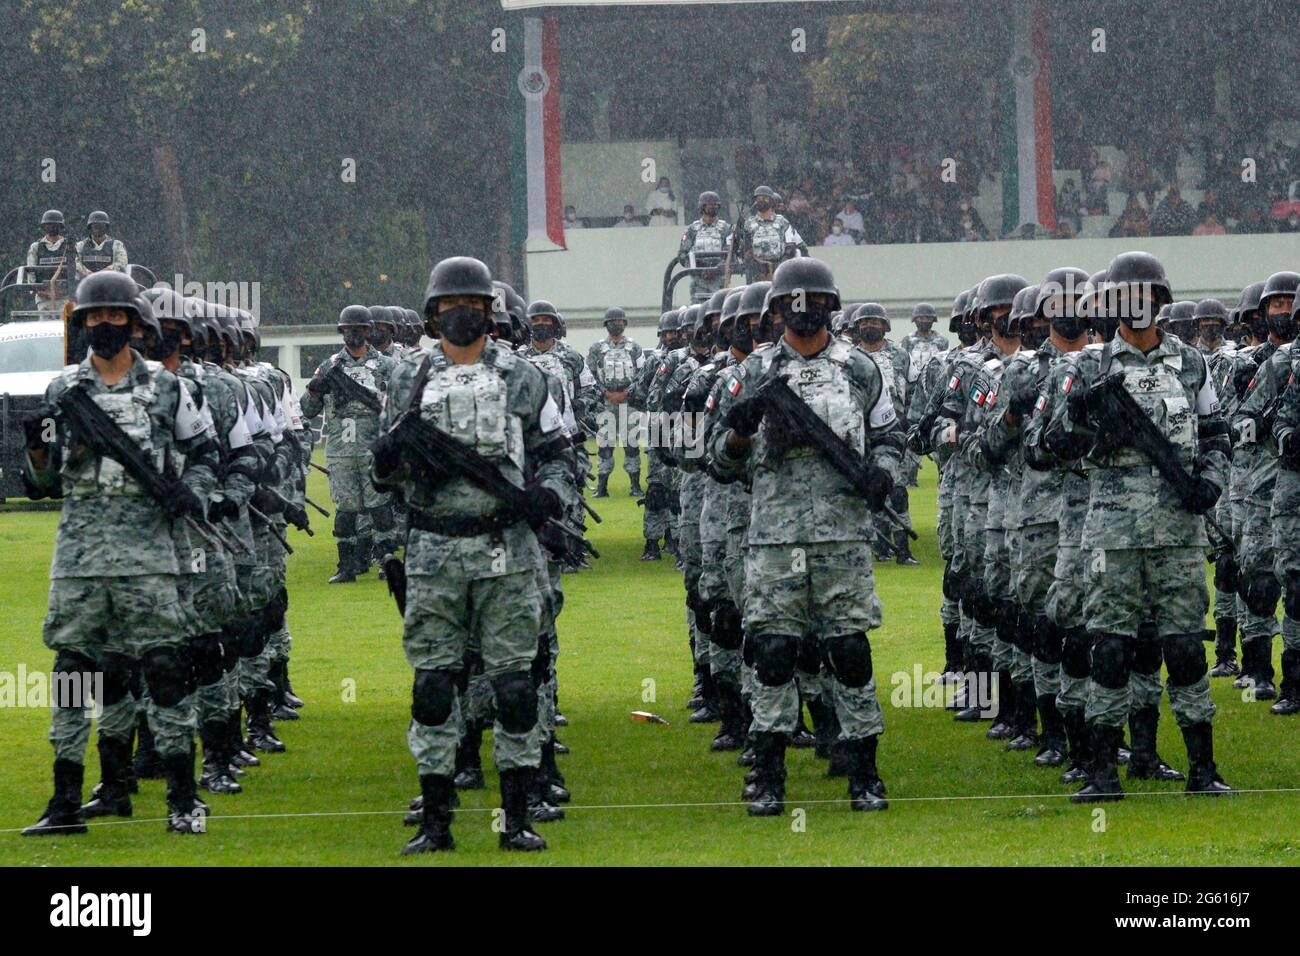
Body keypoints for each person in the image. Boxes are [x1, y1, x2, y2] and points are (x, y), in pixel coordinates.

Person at [371, 256, 576, 854]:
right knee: (434, 687)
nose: (463, 314)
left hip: (506, 548)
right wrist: (386, 466)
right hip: (433, 548)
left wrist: (549, 496)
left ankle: (518, 816)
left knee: (515, 686)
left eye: (474, 305)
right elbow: (389, 474)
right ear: (432, 313)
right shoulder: (406, 379)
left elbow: (559, 452)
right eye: (450, 305)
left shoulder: (525, 376)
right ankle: (437, 820)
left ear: (490, 311)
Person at [21, 271, 218, 836]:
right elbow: (43, 485)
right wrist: (37, 452)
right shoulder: (64, 392)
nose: (103, 325)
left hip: (150, 557)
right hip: (80, 561)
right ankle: (65, 800)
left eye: (114, 316)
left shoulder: (166, 388)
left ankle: (183, 800)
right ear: (81, 324)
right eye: (93, 317)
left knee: (164, 673)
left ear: (135, 323)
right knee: (72, 676)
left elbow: (203, 452)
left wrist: (193, 493)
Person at [709, 257, 904, 815]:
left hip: (843, 537)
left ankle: (863, 770)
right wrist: (741, 434)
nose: (805, 310)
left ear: (831, 306)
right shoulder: (752, 375)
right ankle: (767, 773)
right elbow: (718, 462)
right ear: (774, 312)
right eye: (794, 302)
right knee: (772, 653)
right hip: (775, 537)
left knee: (848, 652)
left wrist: (882, 472)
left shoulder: (861, 369)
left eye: (815, 300)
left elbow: (889, 434)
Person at [1053, 251, 1232, 801]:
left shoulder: (1190, 364)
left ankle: (1203, 768)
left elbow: (1217, 430)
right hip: (1112, 532)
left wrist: (1211, 482)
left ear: (1159, 301)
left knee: (1182, 647)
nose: (1137, 306)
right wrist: (1086, 424)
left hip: (1178, 527)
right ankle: (1103, 770)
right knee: (1110, 649)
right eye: (1125, 296)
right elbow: (1052, 443)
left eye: (1146, 296)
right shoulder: (1088, 367)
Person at [300, 305, 397, 583]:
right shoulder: (330, 367)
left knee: (380, 507)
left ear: (369, 331)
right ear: (341, 332)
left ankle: (386, 561)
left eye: (360, 329)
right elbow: (307, 410)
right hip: (341, 453)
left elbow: (402, 406)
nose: (354, 335)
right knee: (346, 509)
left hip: (375, 449)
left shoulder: (387, 367)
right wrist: (315, 389)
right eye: (348, 330)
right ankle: (346, 566)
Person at [587, 307, 644, 497]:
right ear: (606, 325)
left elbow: (643, 374)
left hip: (629, 402)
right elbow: (589, 375)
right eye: (612, 321)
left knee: (631, 444)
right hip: (606, 403)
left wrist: (627, 392)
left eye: (619, 321)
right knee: (605, 445)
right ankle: (602, 487)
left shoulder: (635, 348)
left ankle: (635, 486)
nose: (616, 324)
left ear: (625, 323)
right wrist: (605, 392)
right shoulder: (596, 348)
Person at [677, 191, 733, 302]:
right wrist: (700, 269)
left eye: (716, 205)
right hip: (698, 283)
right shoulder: (692, 229)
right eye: (710, 204)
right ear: (702, 207)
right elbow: (683, 255)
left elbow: (730, 254)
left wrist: (715, 270)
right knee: (697, 312)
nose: (713, 207)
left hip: (719, 282)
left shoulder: (726, 229)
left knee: (718, 311)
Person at [736, 186, 795, 282]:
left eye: (765, 198)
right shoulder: (748, 224)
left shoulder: (783, 222)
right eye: (758, 198)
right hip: (757, 274)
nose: (761, 201)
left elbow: (790, 248)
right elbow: (744, 251)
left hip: (778, 273)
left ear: (771, 201)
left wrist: (779, 269)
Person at [26, 209, 75, 314]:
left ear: (60, 227)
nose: (52, 227)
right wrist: (40, 292)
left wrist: (64, 292)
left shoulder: (69, 246)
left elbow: (75, 271)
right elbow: (31, 272)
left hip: (65, 297)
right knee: (45, 328)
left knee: (64, 327)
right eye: (49, 225)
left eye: (55, 225)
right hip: (43, 298)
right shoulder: (36, 247)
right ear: (44, 227)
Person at [75, 211, 129, 279]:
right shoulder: (80, 245)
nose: (98, 228)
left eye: (101, 226)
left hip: (110, 283)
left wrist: (104, 273)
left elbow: (121, 263)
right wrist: (88, 273)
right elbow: (75, 263)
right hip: (86, 285)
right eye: (95, 226)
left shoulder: (117, 245)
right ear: (90, 227)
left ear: (106, 227)